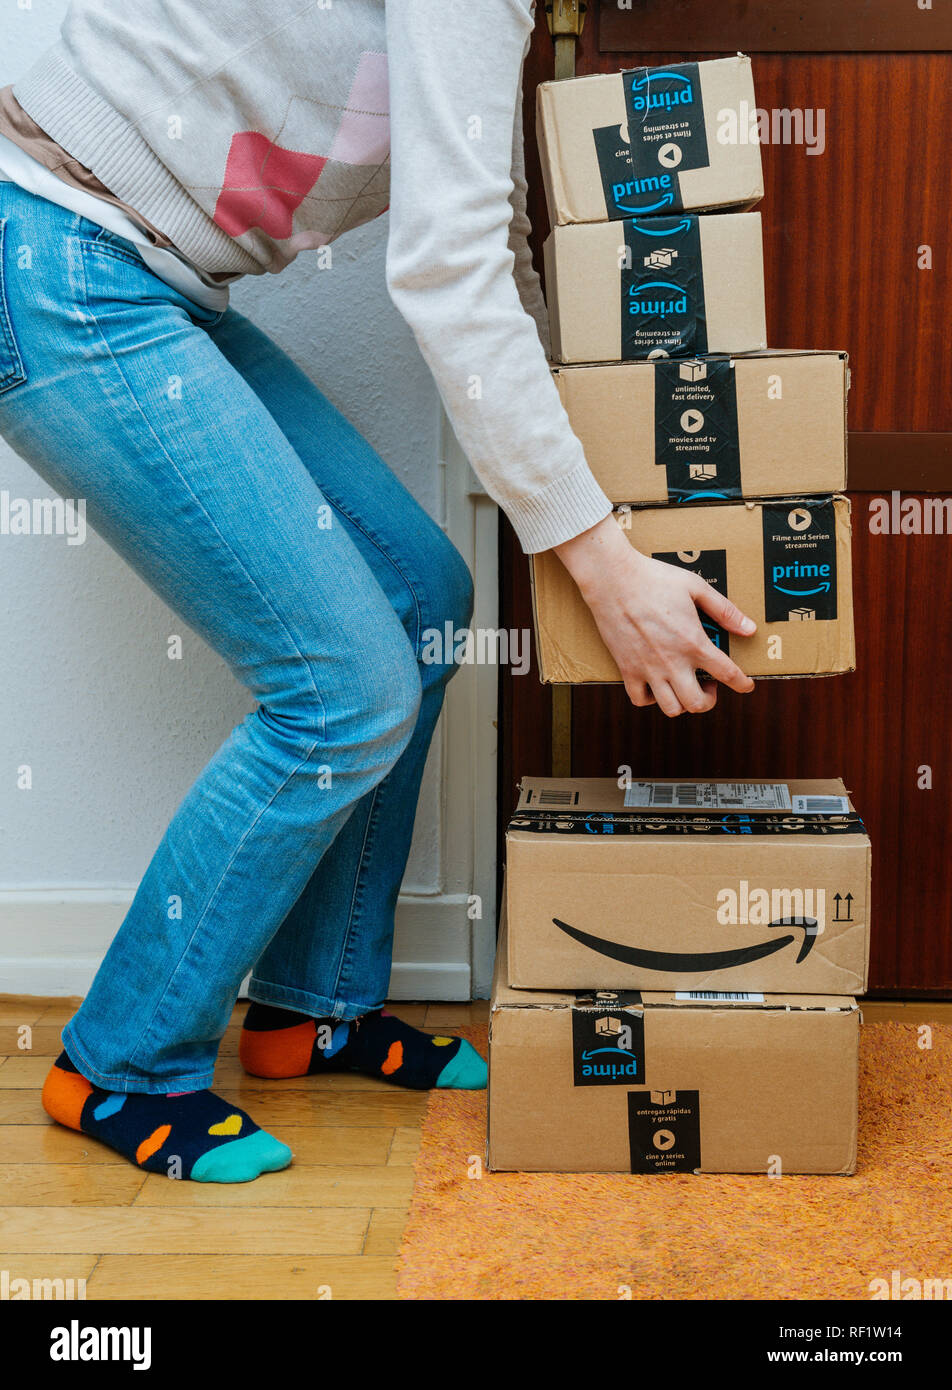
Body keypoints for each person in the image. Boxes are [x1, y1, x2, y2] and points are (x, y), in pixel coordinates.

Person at [0, 0, 756, 1183]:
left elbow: (488, 234)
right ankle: (122, 1065)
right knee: (339, 688)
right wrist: (600, 564)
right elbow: (446, 274)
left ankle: (312, 1009)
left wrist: (598, 469)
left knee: (421, 596)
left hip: (148, 276)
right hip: (59, 255)